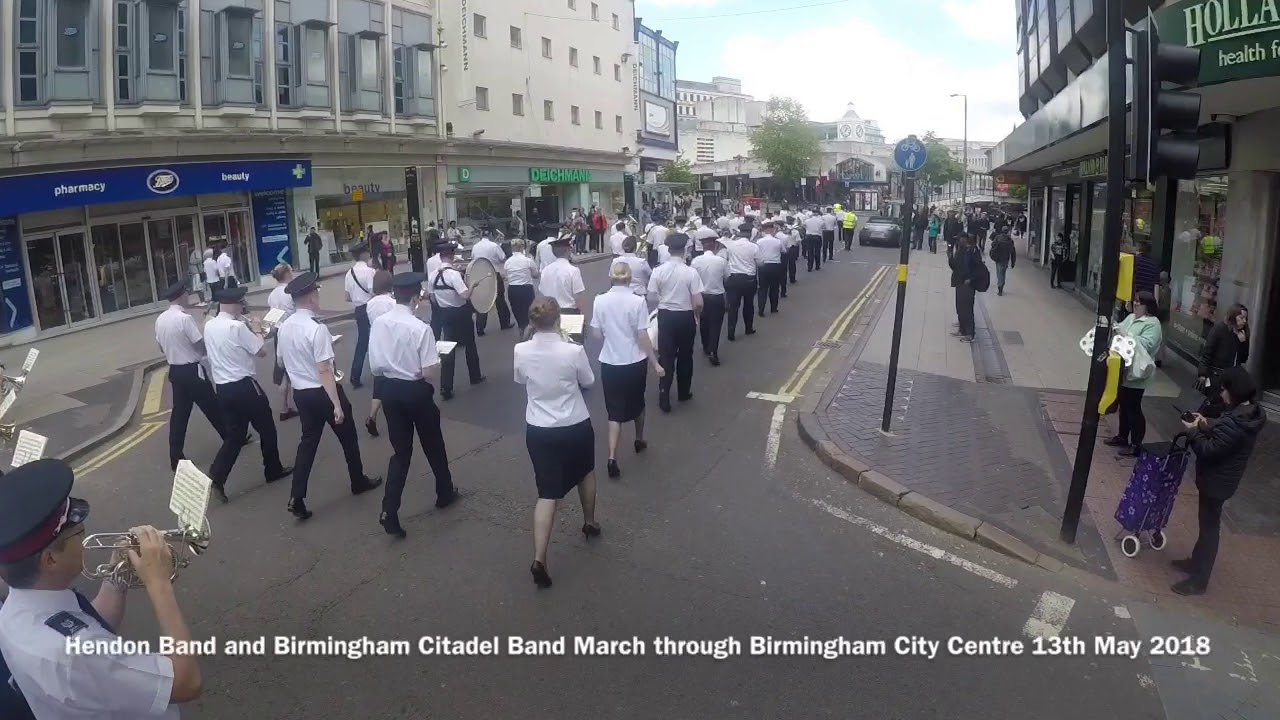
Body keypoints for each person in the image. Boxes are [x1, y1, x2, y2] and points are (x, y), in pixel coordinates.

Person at [0, 459, 204, 719]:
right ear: (50, 559)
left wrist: (117, 575)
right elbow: (187, 682)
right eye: (79, 534)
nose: (86, 542)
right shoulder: (77, 654)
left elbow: (94, 624)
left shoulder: (18, 608)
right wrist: (159, 584)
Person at [277, 272, 382, 520]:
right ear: (310, 298)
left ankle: (297, 497)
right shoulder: (317, 329)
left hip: (302, 394)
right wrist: (336, 404)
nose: (318, 295)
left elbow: (281, 361)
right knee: (348, 438)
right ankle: (358, 480)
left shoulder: (285, 328)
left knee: (308, 444)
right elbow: (324, 370)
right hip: (323, 392)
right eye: (316, 292)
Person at [513, 299, 600, 589]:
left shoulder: (520, 350)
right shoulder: (572, 350)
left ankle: (539, 558)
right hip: (574, 424)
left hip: (539, 428)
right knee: (585, 471)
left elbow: (520, 380)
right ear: (558, 320)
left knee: (547, 493)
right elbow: (588, 381)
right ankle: (588, 521)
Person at [368, 272, 459, 538]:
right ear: (416, 298)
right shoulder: (421, 328)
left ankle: (389, 509)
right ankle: (444, 492)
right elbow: (429, 372)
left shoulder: (380, 323)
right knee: (433, 443)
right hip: (415, 390)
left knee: (401, 453)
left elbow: (375, 366)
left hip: (389, 390)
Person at [1175, 366, 1267, 596]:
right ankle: (1196, 563)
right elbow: (1224, 433)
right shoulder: (1247, 413)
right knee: (1207, 524)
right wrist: (1206, 423)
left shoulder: (1235, 422)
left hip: (1216, 482)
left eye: (1225, 389)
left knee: (1209, 529)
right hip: (1223, 480)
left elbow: (1209, 450)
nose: (1222, 393)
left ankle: (1198, 581)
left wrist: (1192, 431)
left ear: (1234, 391)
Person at [203, 286, 293, 503]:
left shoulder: (209, 326)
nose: (243, 306)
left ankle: (217, 476)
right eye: (242, 303)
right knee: (267, 429)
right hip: (245, 386)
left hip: (223, 388)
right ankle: (273, 469)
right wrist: (257, 329)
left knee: (235, 436)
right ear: (235, 304)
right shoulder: (237, 327)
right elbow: (260, 352)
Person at [591, 264, 664, 478]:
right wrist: (655, 363)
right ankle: (639, 439)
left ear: (610, 277)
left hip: (610, 362)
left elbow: (596, 335)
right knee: (637, 403)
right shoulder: (637, 301)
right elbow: (643, 336)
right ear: (630, 278)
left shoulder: (599, 300)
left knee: (614, 412)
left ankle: (612, 456)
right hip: (634, 361)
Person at [154, 280, 233, 472]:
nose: (188, 296)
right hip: (192, 370)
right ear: (181, 296)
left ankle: (176, 455)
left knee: (180, 415)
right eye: (187, 294)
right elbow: (199, 344)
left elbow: (160, 347)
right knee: (212, 405)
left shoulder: (161, 319)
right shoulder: (184, 319)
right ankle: (231, 438)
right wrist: (206, 326)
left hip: (175, 370)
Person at [647, 234, 704, 413]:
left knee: (666, 355)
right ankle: (683, 392)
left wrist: (663, 302)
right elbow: (699, 302)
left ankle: (664, 394)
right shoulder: (691, 272)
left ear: (669, 250)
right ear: (684, 250)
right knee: (686, 355)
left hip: (665, 316)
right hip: (685, 316)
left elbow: (651, 296)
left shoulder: (658, 270)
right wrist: (696, 316)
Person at [1104, 291, 1163, 457]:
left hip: (1138, 373)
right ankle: (1122, 436)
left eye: (1140, 302)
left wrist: (1126, 336)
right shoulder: (1131, 318)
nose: (1136, 304)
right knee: (1124, 404)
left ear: (1148, 306)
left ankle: (1136, 444)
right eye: (1135, 301)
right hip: (1123, 369)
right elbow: (1120, 330)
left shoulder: (1153, 324)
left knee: (1133, 407)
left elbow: (1147, 345)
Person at [430, 242, 485, 400]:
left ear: (440, 257)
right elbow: (465, 296)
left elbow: (432, 297)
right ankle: (475, 376)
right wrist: (473, 286)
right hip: (461, 312)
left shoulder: (433, 275)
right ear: (452, 256)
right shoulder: (453, 275)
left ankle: (445, 388)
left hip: (445, 314)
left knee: (447, 349)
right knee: (470, 345)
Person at [362, 270, 396, 437]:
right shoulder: (392, 303)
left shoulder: (370, 303)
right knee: (396, 378)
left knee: (380, 381)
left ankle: (372, 415)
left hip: (376, 343)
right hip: (391, 344)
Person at [539, 236, 590, 341]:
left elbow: (542, 293)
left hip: (550, 314)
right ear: (566, 250)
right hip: (569, 312)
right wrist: (583, 318)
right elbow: (578, 297)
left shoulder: (545, 271)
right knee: (573, 347)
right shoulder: (573, 271)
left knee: (553, 346)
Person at [1198, 303, 1249, 404]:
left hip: (1232, 378)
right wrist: (1202, 374)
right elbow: (1207, 351)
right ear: (1233, 316)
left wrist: (1243, 343)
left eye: (1245, 318)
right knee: (1212, 402)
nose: (1244, 321)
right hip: (1216, 375)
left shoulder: (1243, 334)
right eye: (1241, 317)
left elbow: (1243, 358)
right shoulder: (1219, 328)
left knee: (1227, 405)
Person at [267, 264, 299, 422]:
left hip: (279, 333)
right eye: (291, 270)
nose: (293, 273)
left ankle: (284, 407)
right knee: (298, 367)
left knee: (283, 371)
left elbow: (273, 316)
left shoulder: (272, 294)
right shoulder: (290, 292)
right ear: (286, 273)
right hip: (292, 332)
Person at [691, 233, 728, 365]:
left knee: (704, 322)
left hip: (701, 295)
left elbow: (692, 280)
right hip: (717, 296)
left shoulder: (695, 261)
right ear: (714, 245)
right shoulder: (721, 261)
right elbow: (726, 278)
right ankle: (713, 350)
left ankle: (706, 346)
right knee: (715, 325)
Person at [344, 243, 377, 388]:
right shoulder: (370, 272)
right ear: (363, 254)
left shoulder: (349, 273)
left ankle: (355, 376)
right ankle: (381, 370)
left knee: (362, 342)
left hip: (358, 309)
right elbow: (373, 291)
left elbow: (347, 297)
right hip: (370, 307)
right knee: (378, 338)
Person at [470, 232, 514, 335]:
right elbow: (502, 258)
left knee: (483, 301)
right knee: (500, 299)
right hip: (494, 274)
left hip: (481, 275)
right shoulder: (494, 246)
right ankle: (504, 323)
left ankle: (480, 328)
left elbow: (473, 258)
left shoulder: (475, 246)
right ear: (490, 235)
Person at [722, 224, 759, 340]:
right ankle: (748, 328)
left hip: (734, 278)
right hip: (749, 279)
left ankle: (731, 333)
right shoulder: (754, 247)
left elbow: (726, 259)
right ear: (749, 234)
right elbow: (760, 262)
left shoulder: (731, 246)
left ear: (739, 233)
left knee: (733, 307)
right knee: (748, 305)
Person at [950, 234, 980, 343]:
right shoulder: (961, 250)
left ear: (965, 239)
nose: (958, 240)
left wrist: (970, 279)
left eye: (960, 239)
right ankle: (962, 329)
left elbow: (977, 268)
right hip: (959, 282)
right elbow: (955, 265)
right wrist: (950, 255)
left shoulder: (973, 251)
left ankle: (970, 333)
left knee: (967, 309)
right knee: (960, 307)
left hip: (968, 284)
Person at [504, 239, 539, 333]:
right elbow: (536, 275)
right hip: (526, 289)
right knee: (530, 311)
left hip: (513, 289)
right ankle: (530, 330)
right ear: (522, 247)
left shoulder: (508, 262)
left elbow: (506, 275)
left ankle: (521, 328)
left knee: (517, 311)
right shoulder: (528, 260)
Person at [754, 221, 785, 316]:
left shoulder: (759, 241)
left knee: (762, 288)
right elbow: (784, 251)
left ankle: (761, 309)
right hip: (775, 266)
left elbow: (756, 253)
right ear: (771, 229)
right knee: (774, 287)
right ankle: (773, 308)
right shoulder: (778, 241)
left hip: (763, 266)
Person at [988, 229, 1016, 296]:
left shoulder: (998, 238)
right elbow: (1013, 252)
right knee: (1003, 273)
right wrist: (1013, 262)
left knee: (999, 273)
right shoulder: (1010, 241)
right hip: (1005, 259)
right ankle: (1001, 286)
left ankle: (1000, 288)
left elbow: (992, 245)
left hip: (998, 259)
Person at [201, 248, 220, 316]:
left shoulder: (205, 263)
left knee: (213, 297)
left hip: (210, 281)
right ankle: (218, 312)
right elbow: (216, 269)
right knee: (219, 297)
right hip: (216, 280)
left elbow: (205, 271)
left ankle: (207, 310)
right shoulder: (213, 261)